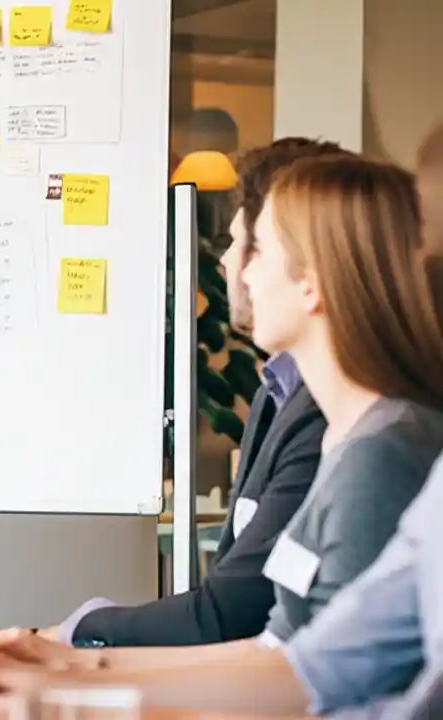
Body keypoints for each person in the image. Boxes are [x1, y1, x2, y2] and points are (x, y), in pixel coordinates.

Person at [0, 153, 443, 708]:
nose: (238, 270)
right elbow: (293, 660)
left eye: (259, 250)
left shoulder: (384, 451)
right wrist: (59, 669)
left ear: (312, 284)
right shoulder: (341, 437)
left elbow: (315, 680)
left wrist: (67, 679)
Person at [55, 139, 342, 648]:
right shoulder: (282, 392)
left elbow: (235, 619)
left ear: (310, 272)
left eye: (248, 246)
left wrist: (73, 644)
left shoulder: (349, 424)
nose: (233, 265)